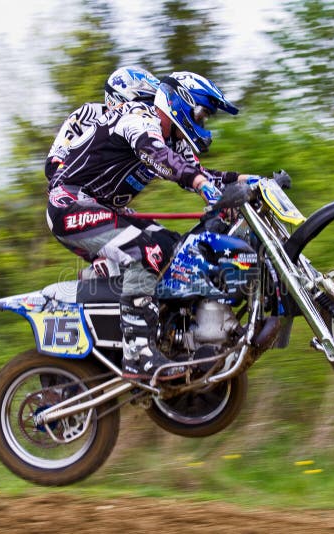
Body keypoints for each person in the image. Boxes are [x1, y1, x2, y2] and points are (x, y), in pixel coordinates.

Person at [46, 71, 261, 381]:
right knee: (145, 250)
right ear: (179, 103)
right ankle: (139, 355)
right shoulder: (139, 116)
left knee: (176, 248)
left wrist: (252, 181)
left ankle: (169, 336)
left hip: (103, 208)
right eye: (201, 114)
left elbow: (199, 172)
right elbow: (154, 154)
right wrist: (200, 183)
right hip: (70, 204)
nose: (203, 123)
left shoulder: (172, 136)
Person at [44, 66, 160, 181]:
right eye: (145, 105)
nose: (149, 112)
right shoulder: (88, 114)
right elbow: (53, 166)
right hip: (73, 191)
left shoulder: (149, 130)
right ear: (120, 99)